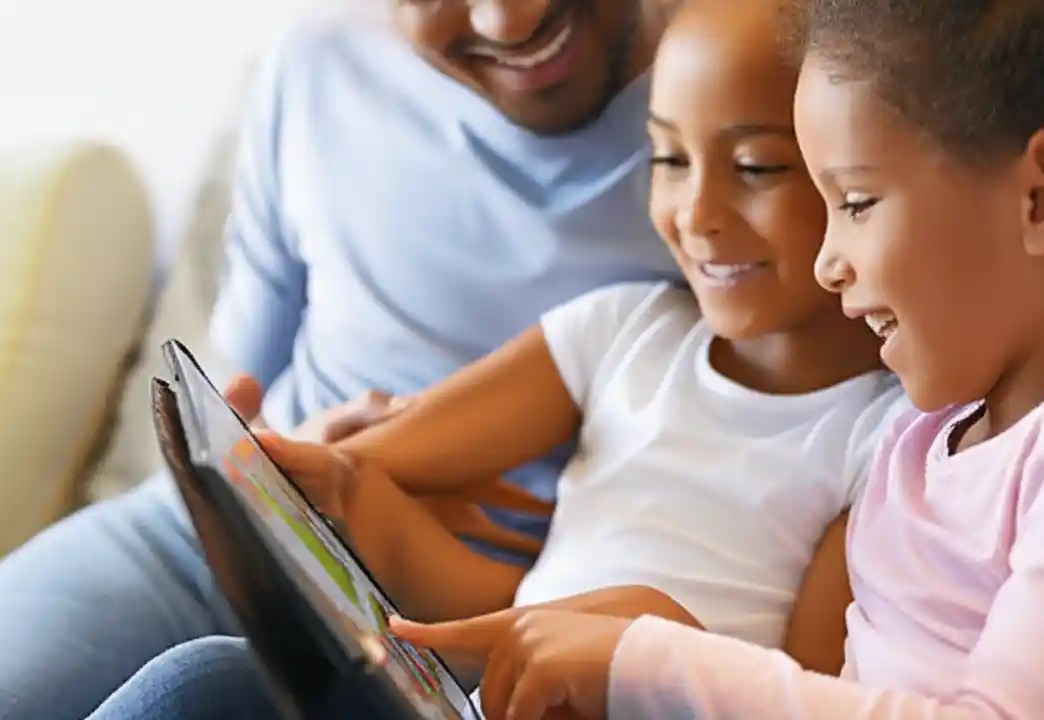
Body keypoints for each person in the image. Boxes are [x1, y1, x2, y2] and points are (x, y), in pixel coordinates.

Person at [389, 0, 1044, 718]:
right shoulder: (924, 439)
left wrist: (659, 662)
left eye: (855, 203)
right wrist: (659, 639)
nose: (828, 263)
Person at [83, 1, 907, 715]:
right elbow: (475, 578)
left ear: (857, 183)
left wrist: (656, 643)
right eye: (667, 159)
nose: (696, 215)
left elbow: (799, 697)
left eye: (757, 167)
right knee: (208, 679)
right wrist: (343, 489)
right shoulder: (621, 333)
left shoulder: (883, 440)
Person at [0, 2, 685, 718]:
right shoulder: (320, 64)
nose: (506, 21)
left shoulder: (736, 112)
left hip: (465, 633)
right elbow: (241, 380)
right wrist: (286, 455)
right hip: (220, 533)